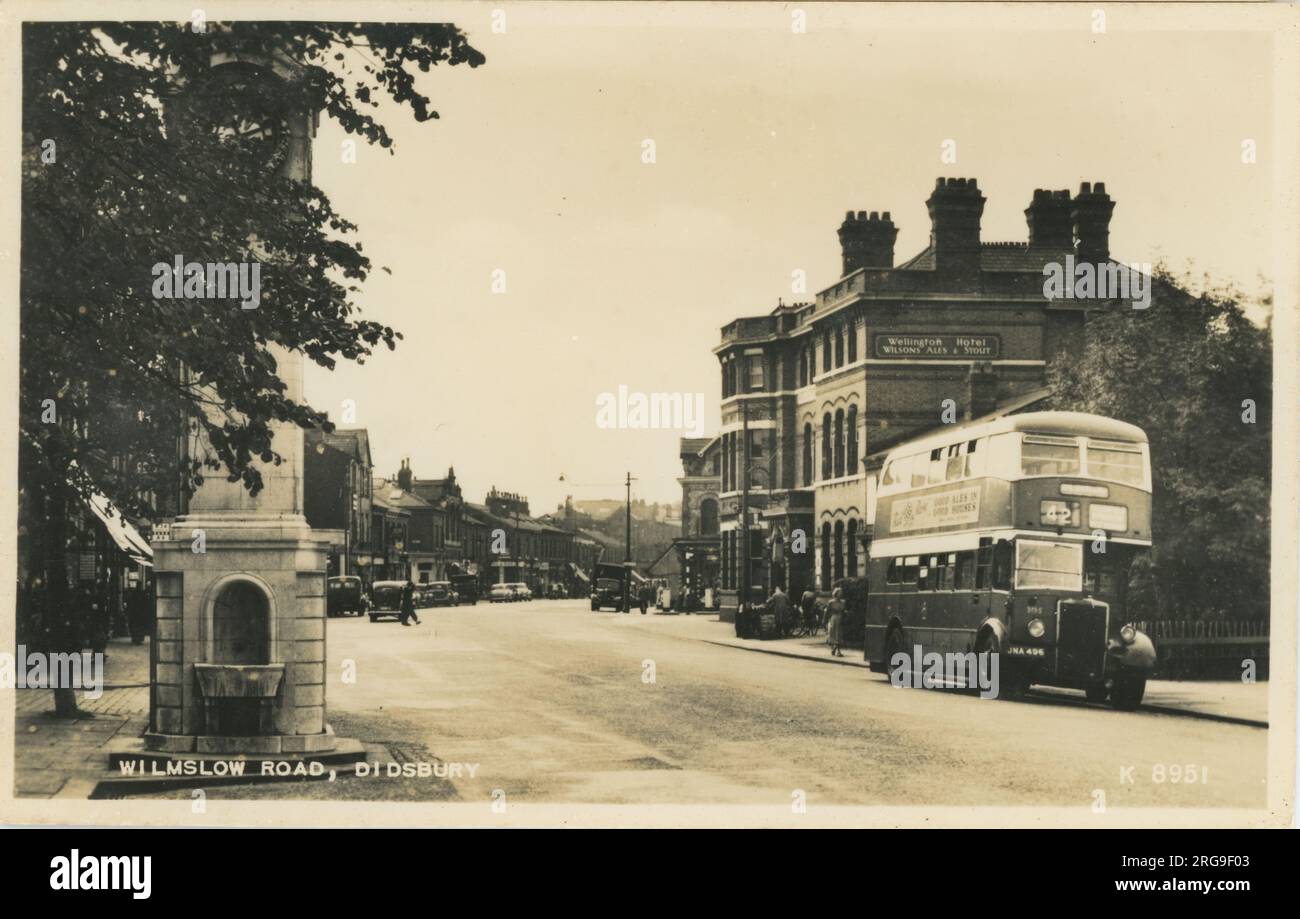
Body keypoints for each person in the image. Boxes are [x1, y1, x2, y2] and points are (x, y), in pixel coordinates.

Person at [825, 587, 846, 656]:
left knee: (839, 634)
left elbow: (843, 611)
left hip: (840, 619)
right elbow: (827, 611)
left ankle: (835, 649)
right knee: (834, 634)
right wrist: (824, 620)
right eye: (839, 593)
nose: (841, 594)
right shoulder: (831, 602)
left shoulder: (843, 602)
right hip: (833, 619)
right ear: (836, 594)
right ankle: (838, 651)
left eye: (841, 593)